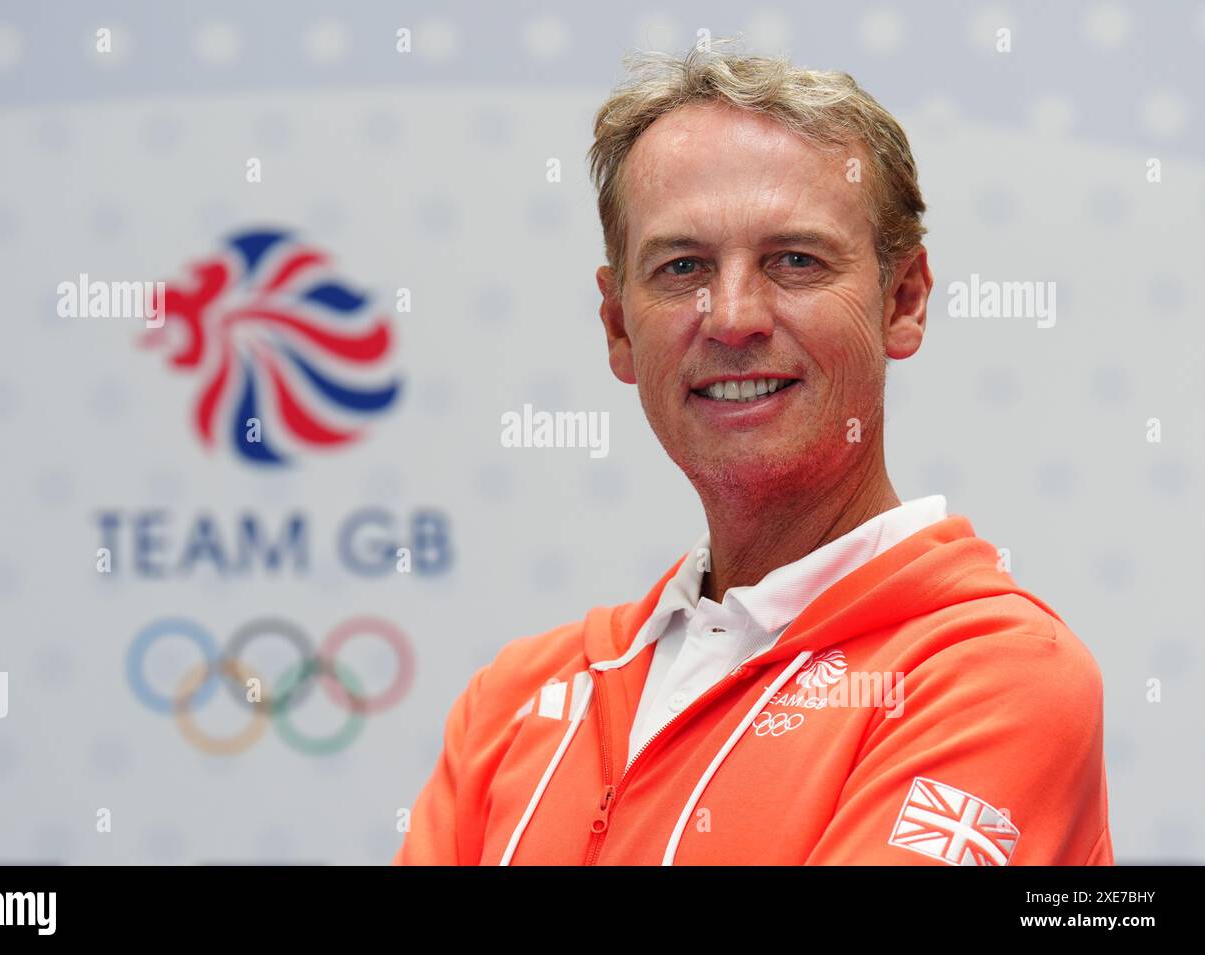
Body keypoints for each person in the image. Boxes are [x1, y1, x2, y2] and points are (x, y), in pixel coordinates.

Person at [393, 41, 1112, 866]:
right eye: (682, 265)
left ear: (903, 301)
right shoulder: (514, 702)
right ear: (619, 327)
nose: (732, 315)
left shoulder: (998, 676)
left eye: (795, 261)